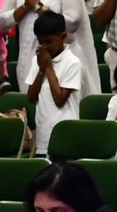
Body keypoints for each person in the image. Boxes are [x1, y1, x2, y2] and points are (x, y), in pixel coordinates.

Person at [24, 12, 87, 157]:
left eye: (48, 41)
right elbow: (31, 97)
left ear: (63, 37)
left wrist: (49, 68)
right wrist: (41, 70)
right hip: (43, 137)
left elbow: (59, 99)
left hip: (65, 136)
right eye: (40, 42)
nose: (44, 46)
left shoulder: (72, 62)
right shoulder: (38, 61)